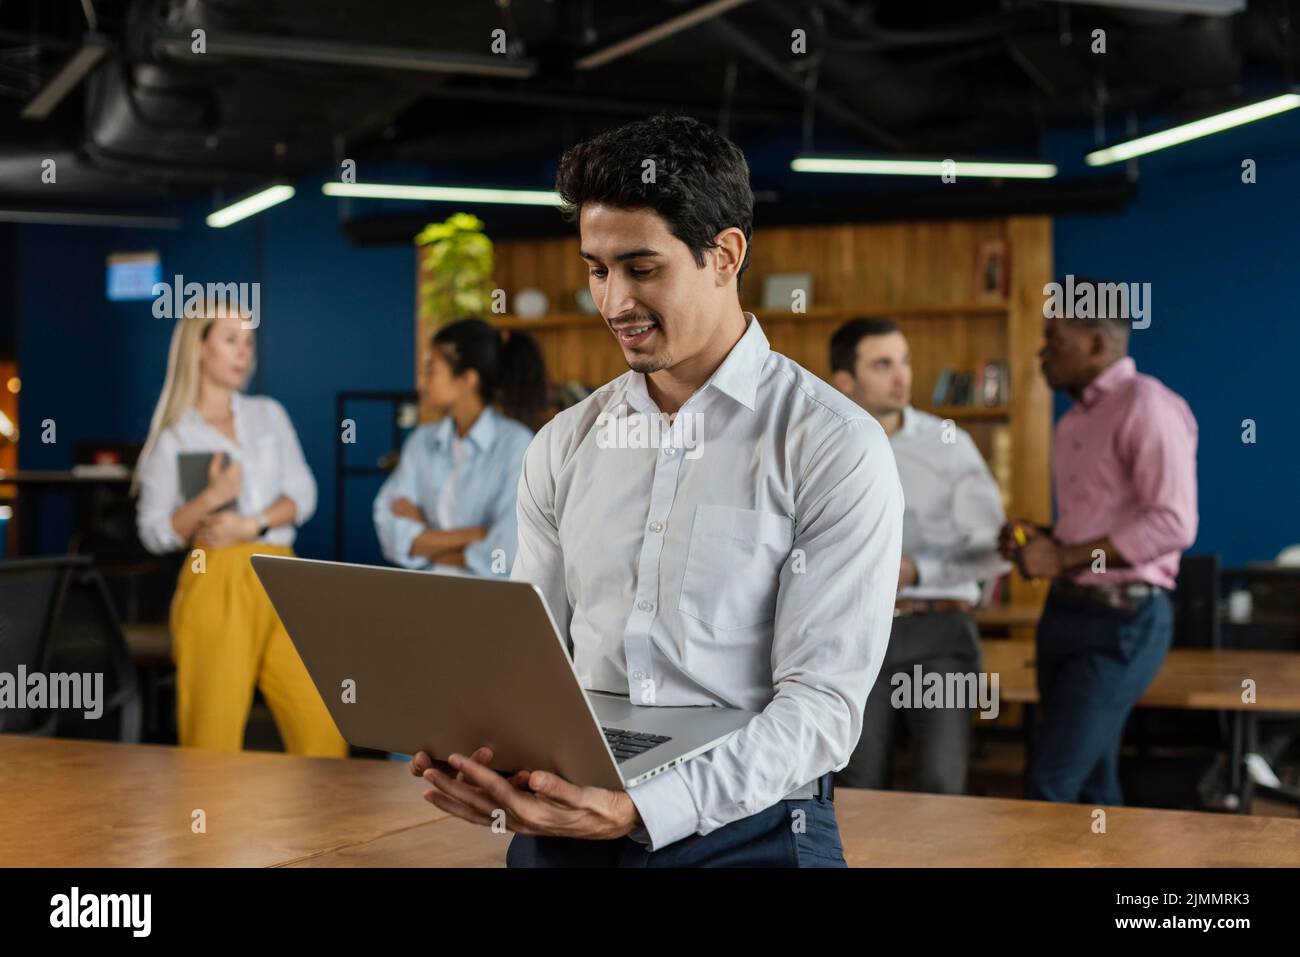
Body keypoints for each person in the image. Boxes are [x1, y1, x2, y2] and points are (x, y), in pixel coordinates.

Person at [410, 114, 904, 867]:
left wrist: (641, 809)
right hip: (572, 814)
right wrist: (486, 758)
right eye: (596, 269)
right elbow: (532, 661)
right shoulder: (564, 445)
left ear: (725, 254)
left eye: (641, 269)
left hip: (755, 828)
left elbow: (822, 709)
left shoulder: (834, 446)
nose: (612, 303)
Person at [999, 281, 1198, 805]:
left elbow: (1174, 523)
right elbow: (1091, 528)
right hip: (1066, 613)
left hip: (1123, 624)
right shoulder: (1073, 421)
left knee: (1049, 784)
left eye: (1053, 340)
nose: (1042, 354)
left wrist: (1060, 556)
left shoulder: (1149, 405)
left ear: (1095, 341)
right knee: (1090, 785)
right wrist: (1040, 538)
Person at [134, 310, 346, 757]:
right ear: (199, 347)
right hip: (215, 579)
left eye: (248, 342)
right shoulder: (174, 437)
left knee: (323, 727)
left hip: (281, 572)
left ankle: (327, 829)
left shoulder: (268, 414)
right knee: (211, 736)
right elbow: (154, 533)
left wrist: (251, 524)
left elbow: (303, 495)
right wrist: (210, 498)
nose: (243, 352)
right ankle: (205, 826)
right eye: (231, 340)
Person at [829, 317, 1010, 794]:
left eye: (904, 361)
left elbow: (996, 552)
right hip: (855, 633)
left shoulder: (950, 445)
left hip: (939, 633)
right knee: (857, 787)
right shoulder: (822, 445)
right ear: (845, 381)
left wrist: (917, 569)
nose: (901, 376)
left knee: (942, 787)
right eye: (883, 364)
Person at [373, 319, 544, 576]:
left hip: (491, 600)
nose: (420, 382)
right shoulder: (421, 442)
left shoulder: (517, 445)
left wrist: (425, 539)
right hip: (424, 592)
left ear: (467, 379)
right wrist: (475, 534)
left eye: (431, 370)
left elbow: (506, 550)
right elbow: (387, 525)